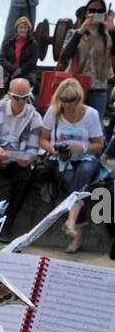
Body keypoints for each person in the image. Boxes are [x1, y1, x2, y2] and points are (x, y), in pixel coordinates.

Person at [39, 76, 105, 253]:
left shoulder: (90, 114)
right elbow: (43, 139)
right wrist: (53, 149)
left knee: (83, 173)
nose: (67, 104)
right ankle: (76, 231)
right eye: (63, 99)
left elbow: (99, 145)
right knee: (74, 183)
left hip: (86, 158)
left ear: (79, 98)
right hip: (61, 160)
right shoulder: (53, 112)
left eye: (71, 100)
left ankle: (71, 222)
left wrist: (81, 148)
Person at [0, 79, 42, 237]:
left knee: (24, 179)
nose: (21, 102)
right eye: (17, 97)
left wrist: (28, 158)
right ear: (9, 95)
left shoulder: (34, 116)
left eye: (24, 98)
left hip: (17, 159)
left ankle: (6, 224)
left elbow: (33, 148)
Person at [58, 0, 114, 129]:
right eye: (92, 10)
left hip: (98, 88)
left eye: (100, 11)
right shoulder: (74, 33)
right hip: (75, 87)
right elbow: (65, 55)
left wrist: (112, 29)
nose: (95, 14)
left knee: (95, 126)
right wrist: (82, 29)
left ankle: (94, 150)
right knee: (71, 124)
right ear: (85, 13)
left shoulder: (107, 35)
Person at [0, 16, 39, 87]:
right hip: (10, 72)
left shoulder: (33, 44)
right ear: (16, 29)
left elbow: (33, 61)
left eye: (25, 28)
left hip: (25, 75)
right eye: (21, 28)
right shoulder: (9, 43)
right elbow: (2, 58)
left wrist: (20, 71)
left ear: (28, 30)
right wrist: (13, 69)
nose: (22, 30)